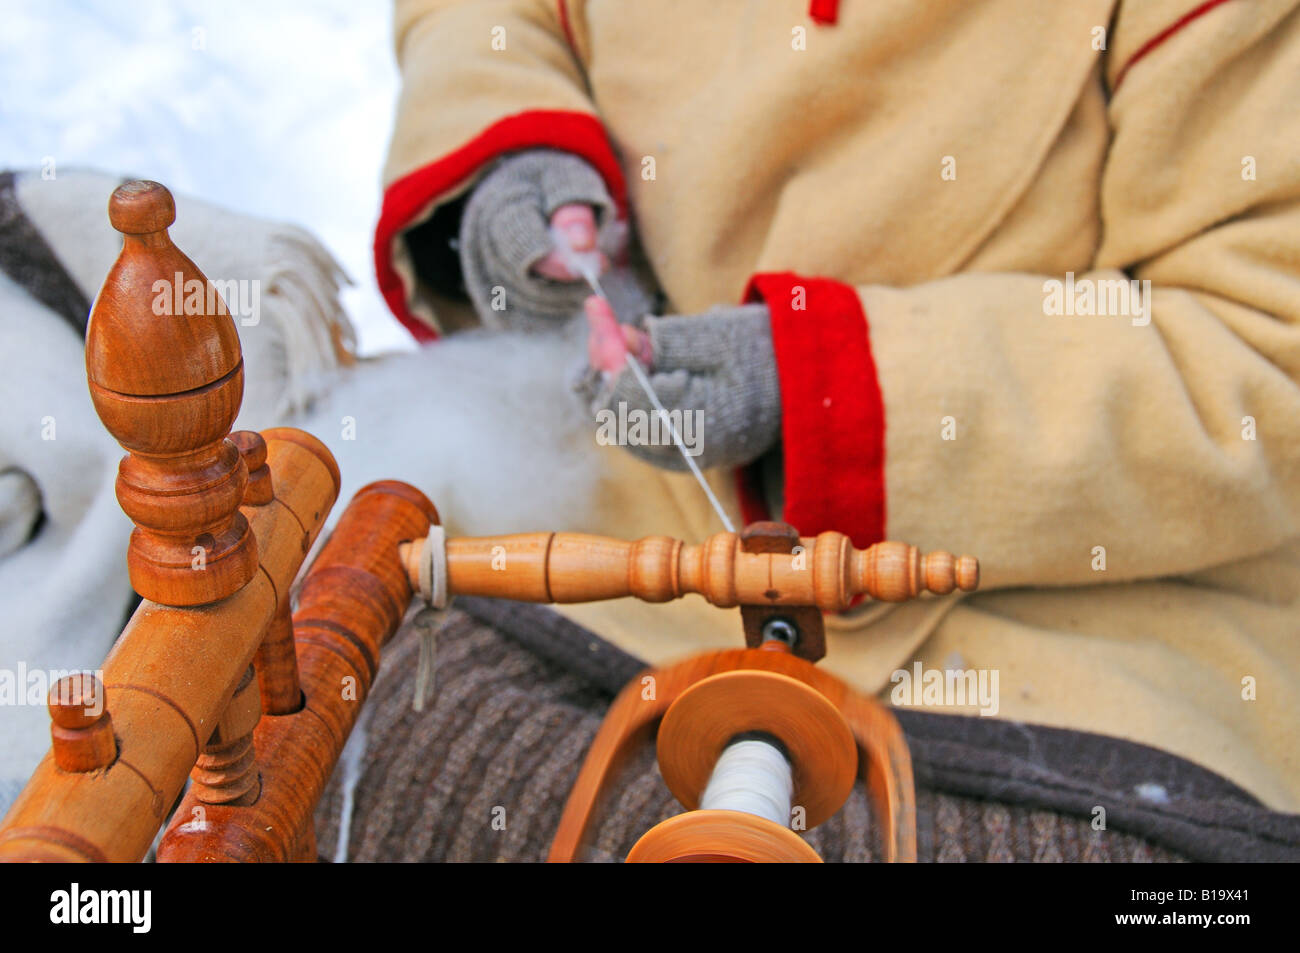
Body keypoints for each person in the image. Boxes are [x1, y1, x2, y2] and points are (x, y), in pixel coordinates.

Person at [374, 0, 1300, 811]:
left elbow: (1266, 349)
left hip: (1072, 650)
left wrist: (820, 383)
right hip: (605, 534)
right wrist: (517, 152)